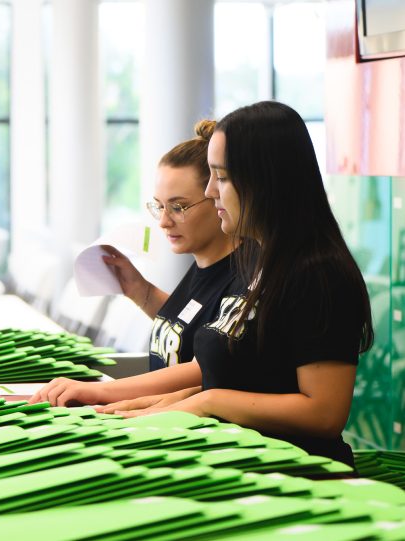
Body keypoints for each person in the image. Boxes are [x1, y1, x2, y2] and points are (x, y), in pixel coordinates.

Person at [33, 101, 373, 467]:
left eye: (222, 177)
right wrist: (144, 404)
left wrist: (207, 402)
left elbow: (324, 414)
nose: (211, 192)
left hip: (290, 477)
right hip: (231, 459)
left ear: (264, 180)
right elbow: (247, 377)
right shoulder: (265, 261)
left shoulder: (317, 273)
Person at [31, 119, 238, 399]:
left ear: (217, 198)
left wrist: (102, 392)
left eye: (178, 207)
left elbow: (202, 368)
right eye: (159, 206)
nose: (164, 221)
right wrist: (140, 291)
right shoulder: (202, 265)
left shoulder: (242, 277)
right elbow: (190, 327)